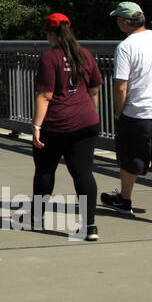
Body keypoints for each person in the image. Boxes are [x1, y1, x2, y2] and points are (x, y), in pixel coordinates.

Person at [101, 2, 152, 225]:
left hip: (138, 114)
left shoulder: (126, 46)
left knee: (131, 159)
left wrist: (118, 113)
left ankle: (125, 200)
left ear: (123, 21)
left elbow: (121, 86)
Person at [31, 13, 103, 241]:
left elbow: (45, 95)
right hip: (86, 122)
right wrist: (91, 115)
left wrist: (36, 126)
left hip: (57, 124)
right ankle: (89, 226)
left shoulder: (49, 58)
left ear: (50, 33)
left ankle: (36, 218)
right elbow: (94, 90)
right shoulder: (85, 55)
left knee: (45, 170)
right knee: (83, 173)